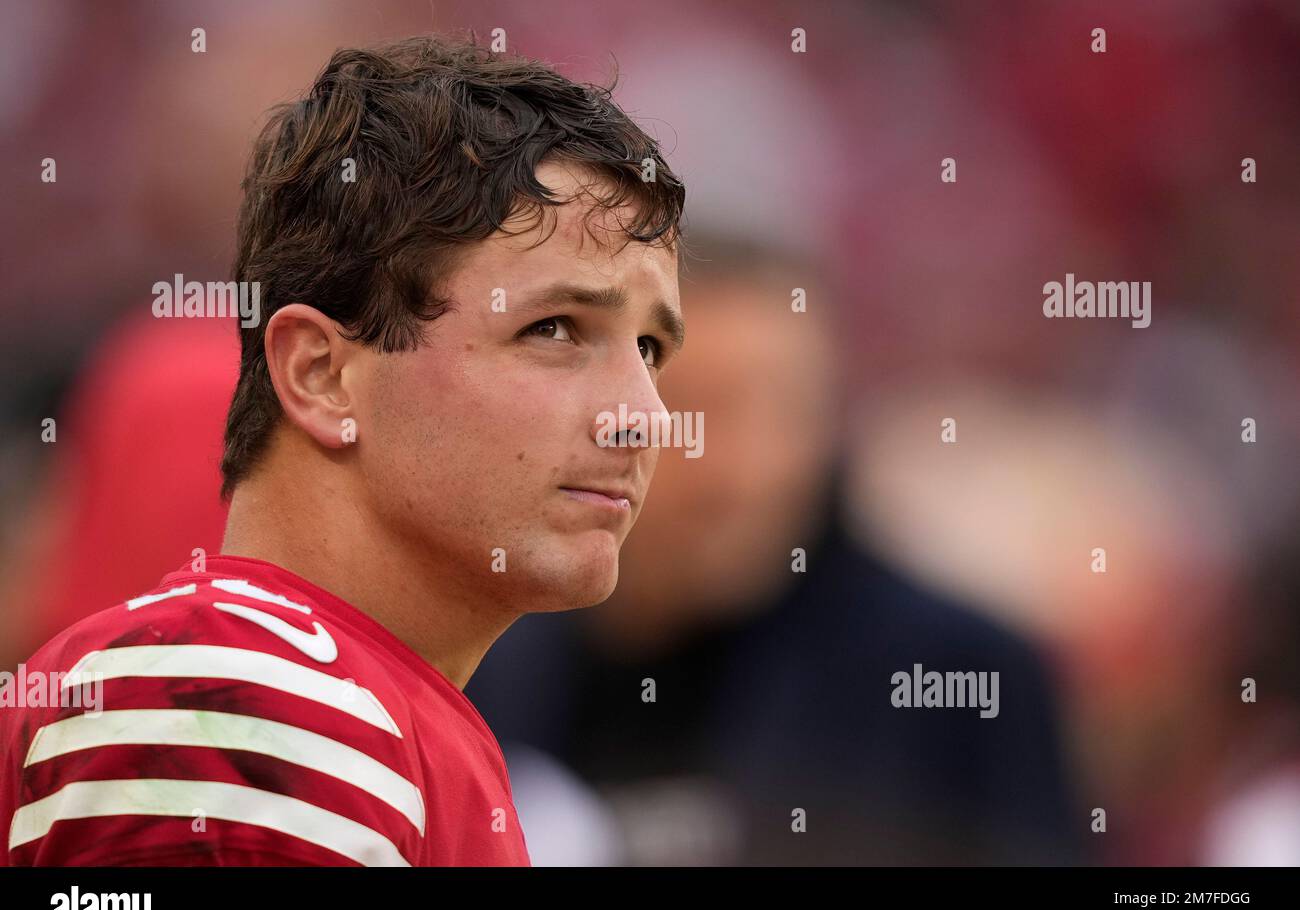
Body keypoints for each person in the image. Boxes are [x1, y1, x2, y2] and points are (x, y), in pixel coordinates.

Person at [0, 34, 685, 867]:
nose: (643, 416)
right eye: (554, 329)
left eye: (649, 349)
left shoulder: (333, 698)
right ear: (321, 374)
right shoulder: (236, 685)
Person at [468, 234, 1082, 865]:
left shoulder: (962, 676)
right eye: (699, 412)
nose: (745, 470)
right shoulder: (484, 657)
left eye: (789, 410)